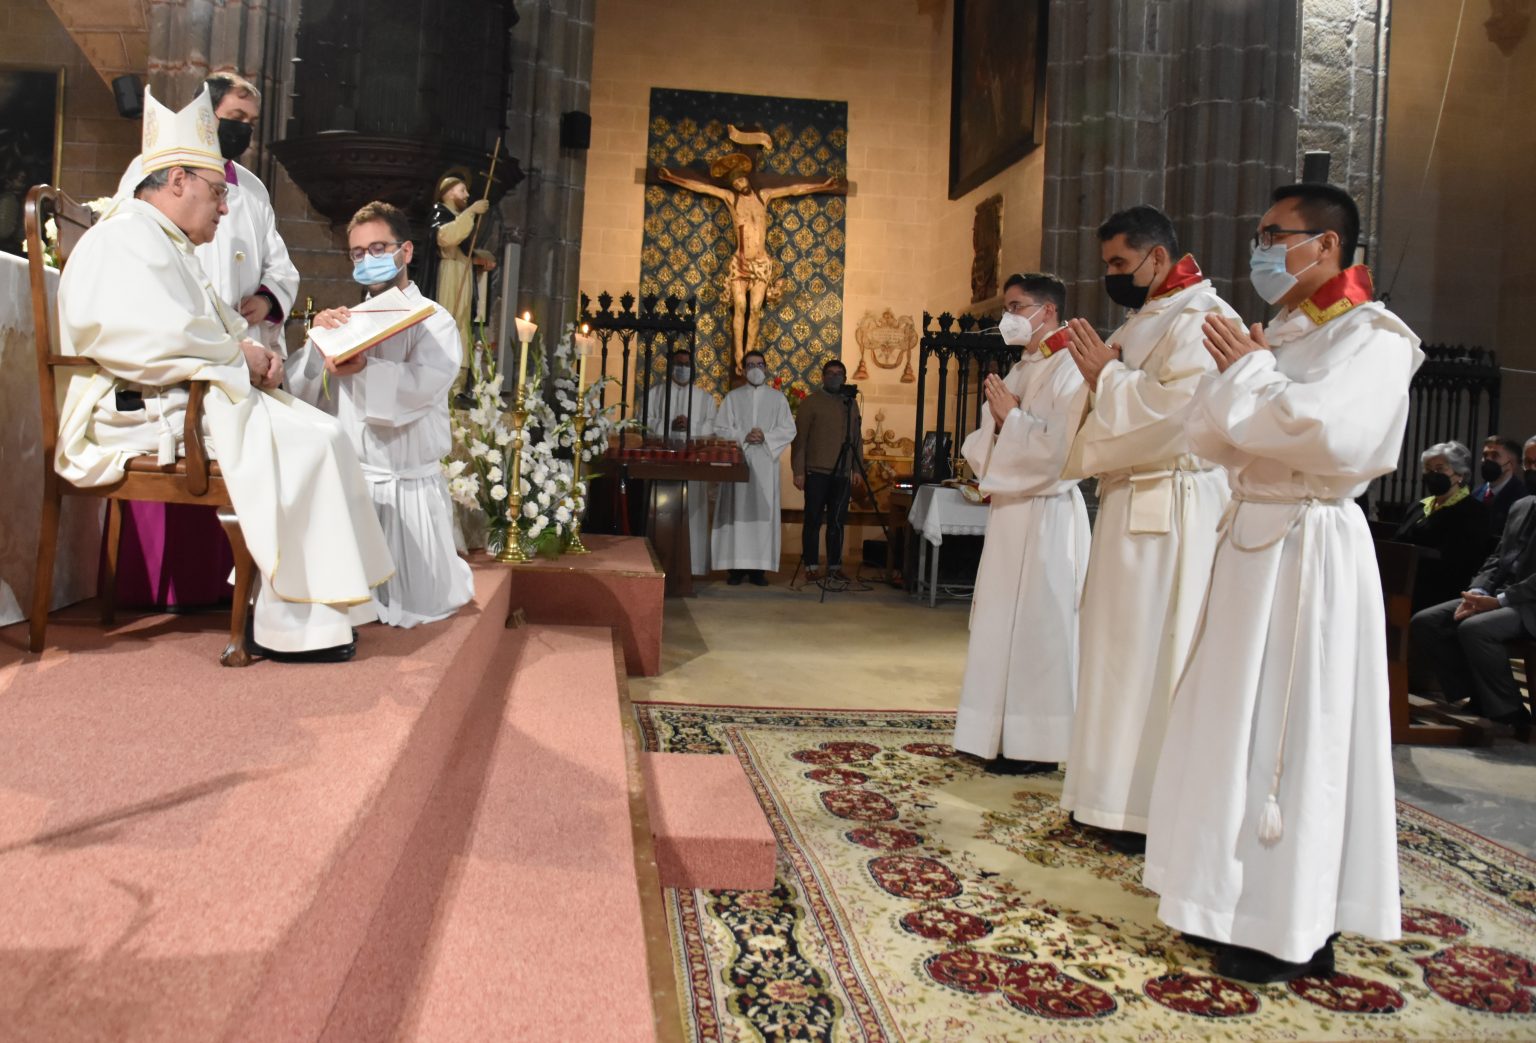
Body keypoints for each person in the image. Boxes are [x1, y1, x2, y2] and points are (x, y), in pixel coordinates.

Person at [1143, 182, 1423, 983]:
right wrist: (1253, 384)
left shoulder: (1376, 337)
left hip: (1311, 544)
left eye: (1276, 234)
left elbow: (1330, 435)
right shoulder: (1285, 335)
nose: (1261, 248)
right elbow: (1209, 431)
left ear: (1327, 245)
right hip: (1250, 535)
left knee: (1294, 732)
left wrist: (1254, 383)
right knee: (1228, 721)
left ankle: (1291, 921)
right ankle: (1218, 897)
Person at [56, 85, 392, 660]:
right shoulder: (123, 236)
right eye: (216, 191)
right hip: (143, 408)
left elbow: (196, 323)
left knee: (324, 434)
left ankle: (315, 612)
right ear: (178, 179)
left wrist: (251, 352)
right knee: (307, 445)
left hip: (182, 393)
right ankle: (289, 626)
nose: (224, 204)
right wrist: (242, 356)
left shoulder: (164, 241)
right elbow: (143, 336)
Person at [1056, 204, 1235, 853]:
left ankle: (1146, 805)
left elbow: (1180, 416)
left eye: (1119, 264)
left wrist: (1105, 374)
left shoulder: (1205, 319)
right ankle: (1103, 793)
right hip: (1131, 500)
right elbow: (1112, 401)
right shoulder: (1145, 318)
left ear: (1157, 257)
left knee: (1155, 652)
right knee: (1113, 651)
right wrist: (1099, 379)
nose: (1111, 275)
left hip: (1175, 504)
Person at [111, 72, 301, 610]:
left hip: (228, 335)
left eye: (249, 125)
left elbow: (279, 265)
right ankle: (164, 585)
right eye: (235, 119)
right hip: (173, 350)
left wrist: (266, 300)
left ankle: (239, 584)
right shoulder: (149, 173)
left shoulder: (253, 188)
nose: (242, 132)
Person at [286, 201, 475, 628]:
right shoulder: (349, 321)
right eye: (357, 253)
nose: (367, 260)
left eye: (377, 248)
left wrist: (366, 369)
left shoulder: (436, 322)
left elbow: (421, 387)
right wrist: (318, 341)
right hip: (358, 478)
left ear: (405, 251)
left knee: (422, 604)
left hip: (405, 480)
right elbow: (303, 392)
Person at [952, 273, 1089, 774]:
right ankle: (993, 733)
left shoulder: (1072, 364)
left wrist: (1012, 420)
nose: (1006, 316)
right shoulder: (1024, 366)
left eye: (1016, 305)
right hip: (1013, 511)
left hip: (1047, 514)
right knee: (997, 622)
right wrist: (999, 432)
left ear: (1047, 311)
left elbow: (1064, 452)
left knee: (1038, 628)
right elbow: (983, 437)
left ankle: (1035, 743)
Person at [657, 156, 844, 371]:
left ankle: (749, 356)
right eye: (735, 183)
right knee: (741, 306)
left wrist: (823, 186)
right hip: (740, 262)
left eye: (741, 181)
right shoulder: (730, 198)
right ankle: (738, 356)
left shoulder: (764, 196)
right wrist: (672, 178)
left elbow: (793, 189)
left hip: (761, 263)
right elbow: (703, 188)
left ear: (747, 179)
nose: (739, 185)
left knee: (755, 309)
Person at [1410, 434, 1536, 732]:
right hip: (1501, 595)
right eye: (1529, 463)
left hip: (1528, 603)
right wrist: (1478, 590)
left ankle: (1510, 711)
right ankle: (1480, 693)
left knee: (1475, 629)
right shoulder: (1522, 506)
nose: (1531, 469)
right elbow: (1497, 558)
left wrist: (1500, 601)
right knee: (1426, 622)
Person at [711, 350, 796, 585]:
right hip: (740, 461)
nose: (755, 369)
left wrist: (766, 436)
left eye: (759, 364)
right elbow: (720, 428)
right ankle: (735, 569)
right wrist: (743, 435)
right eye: (750, 365)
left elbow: (789, 429)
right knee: (737, 514)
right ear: (743, 370)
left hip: (766, 465)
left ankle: (759, 570)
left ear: (766, 368)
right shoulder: (733, 397)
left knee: (762, 517)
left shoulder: (778, 399)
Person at [643, 347, 719, 576]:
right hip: (663, 458)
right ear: (669, 366)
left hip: (692, 459)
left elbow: (714, 426)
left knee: (693, 510)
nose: (682, 368)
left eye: (687, 365)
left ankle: (693, 565)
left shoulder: (704, 397)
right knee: (661, 509)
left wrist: (690, 427)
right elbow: (643, 420)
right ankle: (657, 560)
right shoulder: (656, 394)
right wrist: (668, 426)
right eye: (678, 364)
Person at [1392, 441, 1489, 612]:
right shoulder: (1418, 506)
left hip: (1440, 589)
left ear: (1459, 475)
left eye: (1439, 469)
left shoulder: (1473, 511)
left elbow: (1462, 560)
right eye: (1428, 469)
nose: (1432, 475)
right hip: (1405, 581)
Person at [791, 359, 865, 583]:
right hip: (816, 471)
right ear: (823, 377)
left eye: (839, 373)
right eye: (830, 373)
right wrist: (798, 471)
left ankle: (834, 565)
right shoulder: (811, 403)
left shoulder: (851, 403)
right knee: (813, 520)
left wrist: (857, 468)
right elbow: (800, 439)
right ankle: (811, 565)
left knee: (837, 521)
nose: (834, 377)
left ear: (845, 377)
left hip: (843, 472)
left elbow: (856, 438)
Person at [428, 174, 496, 360]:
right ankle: (445, 370)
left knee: (462, 324)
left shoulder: (461, 217)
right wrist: (471, 211)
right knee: (448, 320)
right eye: (462, 190)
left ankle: (460, 375)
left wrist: (482, 259)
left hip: (463, 274)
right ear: (449, 193)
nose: (467, 195)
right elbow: (445, 238)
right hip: (448, 273)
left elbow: (466, 251)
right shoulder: (440, 213)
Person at [1472, 435, 1525, 534]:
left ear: (1511, 464)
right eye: (1485, 455)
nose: (1487, 460)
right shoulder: (1475, 494)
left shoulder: (1521, 498)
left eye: (1494, 456)